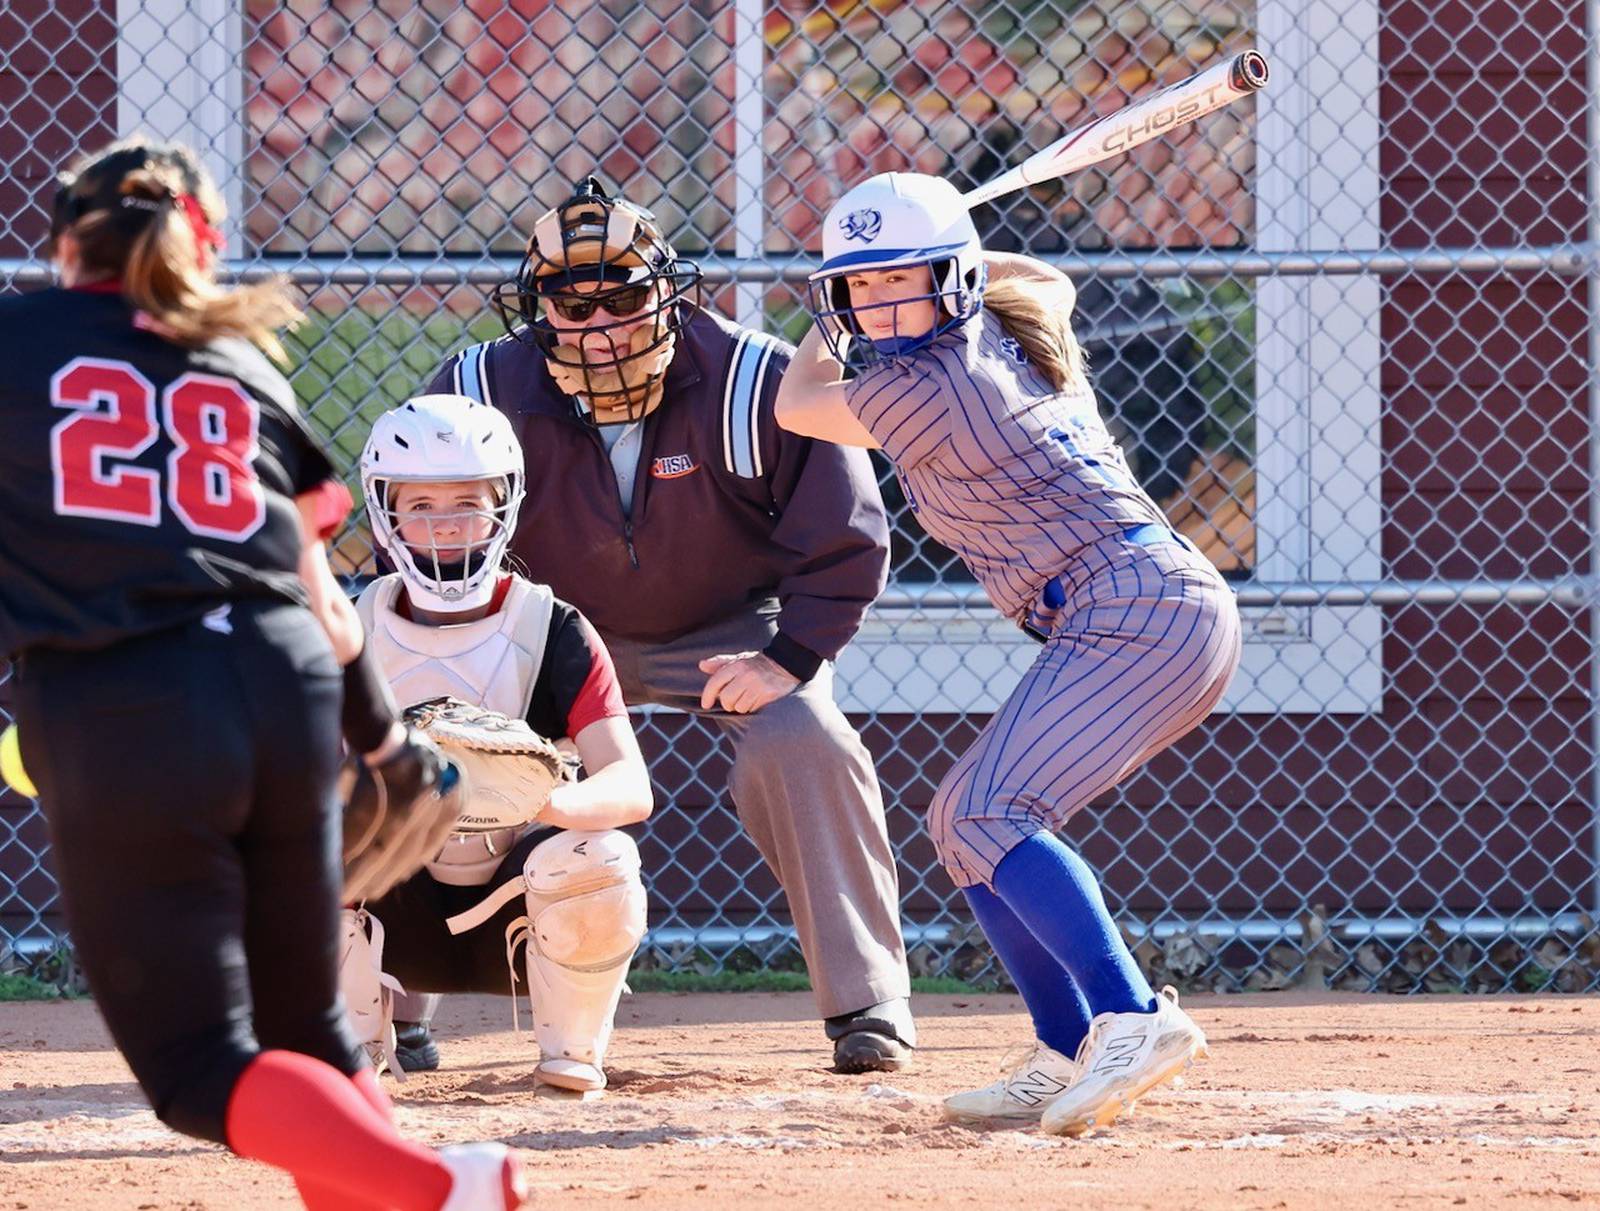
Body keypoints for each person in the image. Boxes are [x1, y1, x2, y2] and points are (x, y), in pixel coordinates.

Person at [0, 138, 525, 1210]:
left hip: (126, 701)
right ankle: (413, 1193)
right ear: (207, 245)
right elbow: (324, 593)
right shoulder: (240, 367)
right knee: (308, 1031)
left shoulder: (15, 342)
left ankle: (437, 1182)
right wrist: (384, 742)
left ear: (62, 244)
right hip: (287, 688)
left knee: (197, 1069)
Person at [775, 171, 1242, 1136]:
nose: (875, 304)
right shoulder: (1000, 326)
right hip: (1136, 607)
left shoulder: (928, 385)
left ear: (955, 279)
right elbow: (1037, 277)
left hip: (1138, 609)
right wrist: (926, 263)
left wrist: (849, 305)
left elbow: (794, 400)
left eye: (901, 282)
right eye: (860, 287)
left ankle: (1128, 1016)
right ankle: (1066, 1042)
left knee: (990, 811)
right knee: (962, 822)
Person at [417, 177, 916, 1073]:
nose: (599, 325)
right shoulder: (477, 389)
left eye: (622, 297)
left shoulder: (758, 380)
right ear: (538, 310)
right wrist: (454, 658)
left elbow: (847, 538)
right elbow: (414, 519)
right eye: (572, 305)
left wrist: (790, 656)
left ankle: (868, 1004)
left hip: (729, 628)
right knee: (438, 748)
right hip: (545, 636)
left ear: (667, 294)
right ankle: (396, 993)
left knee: (807, 737)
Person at [340, 392, 652, 1094]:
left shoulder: (549, 627)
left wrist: (531, 794)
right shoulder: (352, 626)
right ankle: (346, 1051)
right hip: (394, 906)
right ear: (385, 510)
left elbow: (629, 787)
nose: (446, 524)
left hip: (514, 906)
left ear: (504, 504)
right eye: (420, 505)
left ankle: (568, 1053)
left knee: (601, 853)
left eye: (468, 502)